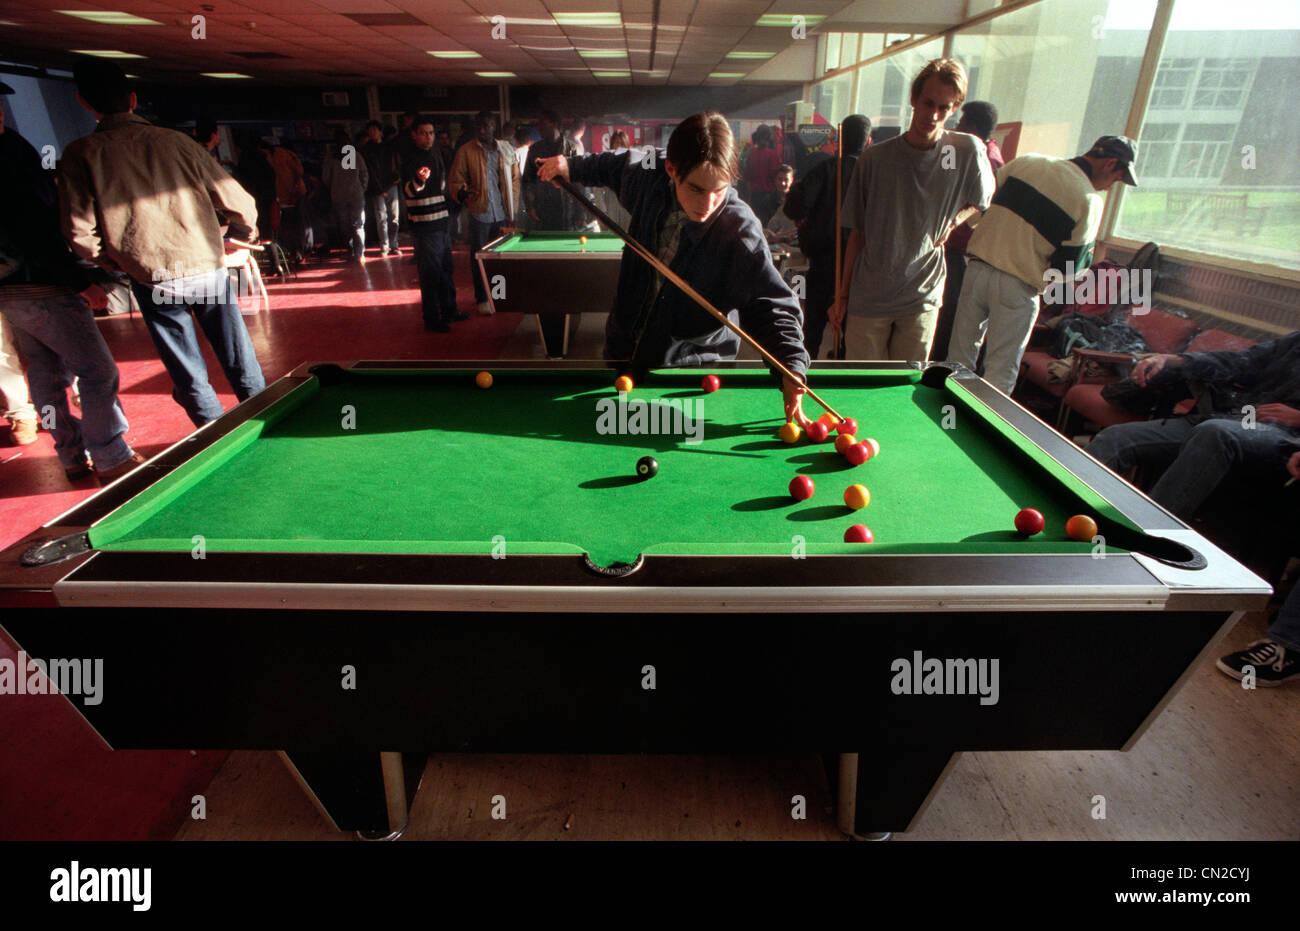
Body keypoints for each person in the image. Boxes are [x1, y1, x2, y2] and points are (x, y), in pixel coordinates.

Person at [535, 111, 811, 427]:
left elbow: (769, 305)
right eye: (696, 189)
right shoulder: (648, 179)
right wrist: (571, 167)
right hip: (623, 351)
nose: (708, 203)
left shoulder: (740, 232)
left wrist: (790, 364)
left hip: (692, 371)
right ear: (671, 169)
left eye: (719, 189)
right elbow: (615, 164)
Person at [59, 58, 265, 430]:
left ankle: (212, 436)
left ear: (84, 102)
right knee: (239, 356)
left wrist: (114, 261)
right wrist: (239, 237)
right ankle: (266, 418)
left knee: (187, 369)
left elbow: (79, 234)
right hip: (205, 268)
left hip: (153, 278)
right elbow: (242, 203)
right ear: (133, 99)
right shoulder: (177, 142)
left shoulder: (81, 153)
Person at [0, 105, 141, 482]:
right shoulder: (13, 158)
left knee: (45, 375)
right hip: (46, 287)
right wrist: (82, 284)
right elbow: (38, 234)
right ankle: (111, 454)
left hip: (10, 293)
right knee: (98, 371)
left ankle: (70, 454)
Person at [832, 59, 995, 362]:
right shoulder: (875, 159)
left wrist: (954, 221)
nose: (933, 115)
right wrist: (841, 297)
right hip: (869, 295)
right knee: (863, 388)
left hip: (922, 294)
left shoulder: (965, 151)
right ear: (913, 100)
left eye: (944, 108)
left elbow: (983, 199)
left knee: (904, 387)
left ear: (955, 108)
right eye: (927, 103)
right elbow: (858, 233)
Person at [946, 135, 1135, 394]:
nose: (1110, 188)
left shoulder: (1026, 162)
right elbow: (1071, 269)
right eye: (1116, 179)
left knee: (958, 360)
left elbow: (974, 213)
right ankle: (980, 431)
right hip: (1019, 286)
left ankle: (946, 419)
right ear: (1110, 164)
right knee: (999, 374)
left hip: (977, 270)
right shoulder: (1089, 201)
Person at [1086, 332, 1300, 520]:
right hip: (1239, 419)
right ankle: (1075, 512)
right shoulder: (1295, 341)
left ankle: (1148, 532)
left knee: (1215, 432)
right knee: (1114, 438)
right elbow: (1241, 360)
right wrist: (1172, 359)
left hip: (1286, 440)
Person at [782, 115, 870, 360]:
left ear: (839, 140)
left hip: (823, 260)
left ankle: (803, 368)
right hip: (860, 265)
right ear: (869, 141)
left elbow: (794, 207)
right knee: (851, 328)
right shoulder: (872, 173)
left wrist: (805, 220)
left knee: (814, 325)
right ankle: (842, 364)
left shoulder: (826, 169)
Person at [931, 101, 1004, 360]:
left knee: (949, 315)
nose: (957, 127)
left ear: (971, 126)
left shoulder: (988, 160)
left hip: (963, 253)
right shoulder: (969, 152)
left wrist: (952, 222)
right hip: (954, 248)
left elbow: (981, 204)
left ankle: (938, 372)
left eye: (961, 123)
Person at [448, 111, 521, 316]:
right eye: (479, 126)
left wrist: (512, 210)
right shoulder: (465, 151)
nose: (483, 130)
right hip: (480, 213)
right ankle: (482, 297)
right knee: (479, 257)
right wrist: (463, 193)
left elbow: (514, 181)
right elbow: (455, 179)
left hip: (502, 212)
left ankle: (499, 295)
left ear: (493, 126)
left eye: (486, 126)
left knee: (500, 257)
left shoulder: (505, 149)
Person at [403, 116, 463, 332]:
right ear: (414, 135)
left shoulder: (436, 154)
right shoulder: (410, 158)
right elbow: (408, 191)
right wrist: (419, 180)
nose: (428, 137)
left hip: (441, 222)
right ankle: (431, 318)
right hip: (424, 226)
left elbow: (442, 189)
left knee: (446, 269)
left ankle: (450, 310)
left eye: (431, 133)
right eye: (423, 133)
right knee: (430, 274)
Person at [523, 111, 582, 231]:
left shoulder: (571, 148)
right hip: (543, 207)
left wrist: (581, 211)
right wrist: (530, 206)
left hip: (567, 207)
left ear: (554, 124)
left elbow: (579, 182)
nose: (539, 127)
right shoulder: (535, 150)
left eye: (542, 123)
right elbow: (527, 180)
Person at [321, 128, 368, 261]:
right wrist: (361, 188)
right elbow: (365, 174)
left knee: (344, 225)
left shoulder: (331, 158)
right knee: (358, 224)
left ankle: (351, 249)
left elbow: (326, 178)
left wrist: (334, 188)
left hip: (338, 196)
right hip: (356, 195)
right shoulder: (356, 155)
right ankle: (360, 253)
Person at [361, 120, 402, 256]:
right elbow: (368, 171)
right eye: (370, 130)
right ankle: (384, 245)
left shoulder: (389, 146)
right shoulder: (366, 150)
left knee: (394, 216)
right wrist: (377, 188)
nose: (372, 132)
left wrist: (397, 178)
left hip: (391, 184)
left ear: (380, 131)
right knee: (381, 217)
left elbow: (395, 164)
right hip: (376, 188)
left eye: (375, 129)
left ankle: (394, 244)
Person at [743, 125, 782, 226]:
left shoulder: (752, 153)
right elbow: (777, 176)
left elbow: (747, 176)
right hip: (770, 197)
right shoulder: (773, 154)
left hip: (754, 197)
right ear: (769, 137)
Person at [764, 164, 798, 246]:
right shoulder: (767, 201)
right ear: (775, 180)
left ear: (792, 180)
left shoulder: (797, 200)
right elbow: (764, 226)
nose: (782, 183)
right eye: (779, 179)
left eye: (786, 180)